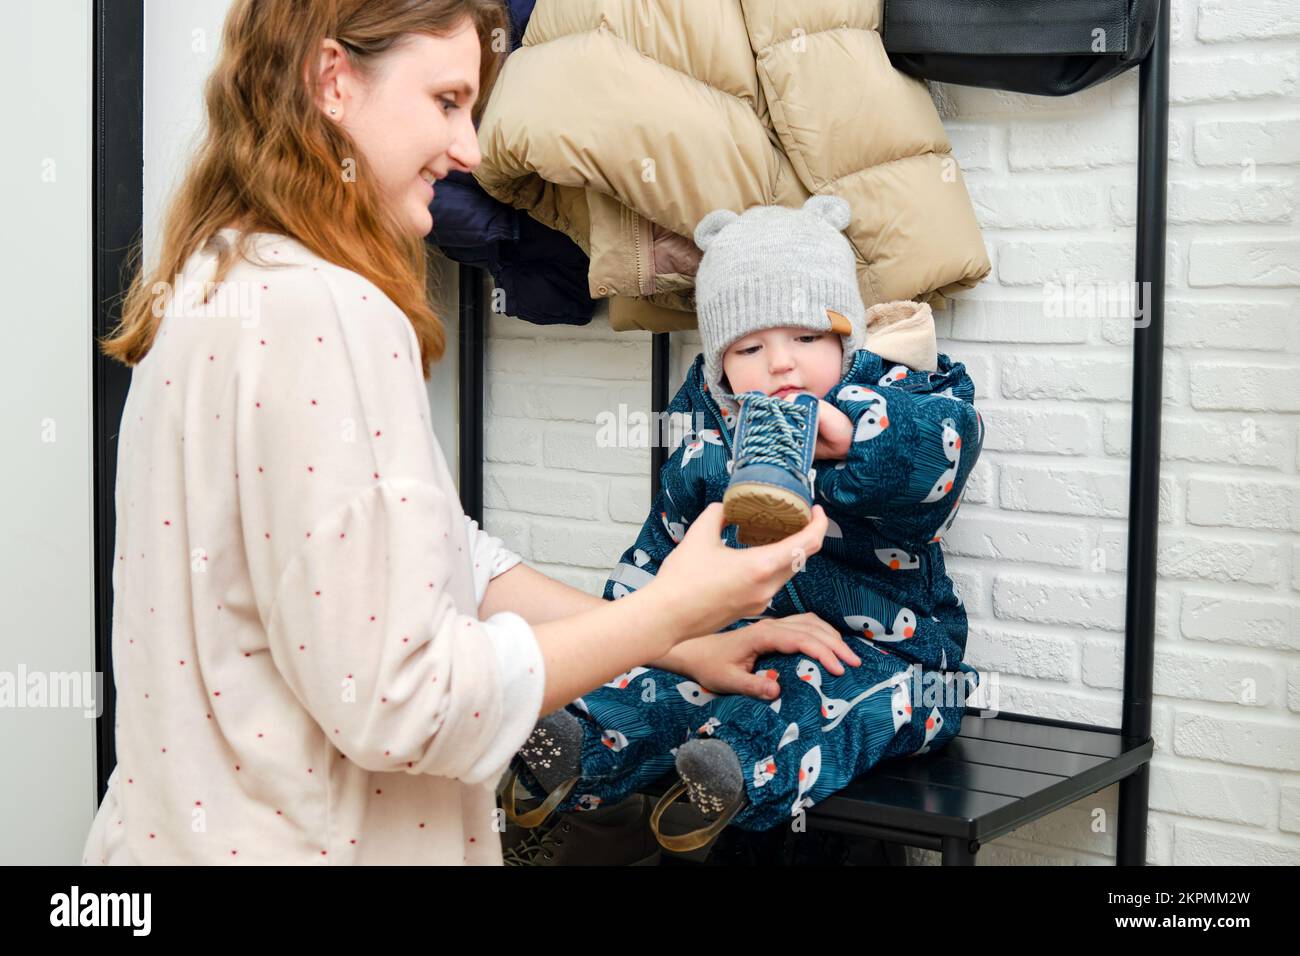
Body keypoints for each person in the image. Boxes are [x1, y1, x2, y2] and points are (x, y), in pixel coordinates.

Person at [82, 0, 839, 866]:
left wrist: (680, 643)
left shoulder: (210, 278)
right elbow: (409, 700)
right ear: (334, 81)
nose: (472, 149)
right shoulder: (330, 310)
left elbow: (435, 561)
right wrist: (675, 604)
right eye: (446, 102)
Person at [506, 198, 985, 849]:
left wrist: (853, 436)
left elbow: (944, 450)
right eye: (751, 347)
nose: (780, 363)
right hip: (743, 637)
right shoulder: (708, 420)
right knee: (664, 679)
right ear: (721, 364)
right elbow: (667, 541)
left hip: (885, 652)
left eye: (807, 338)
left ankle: (735, 768)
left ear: (845, 339)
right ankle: (574, 745)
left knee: (802, 695)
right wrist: (630, 629)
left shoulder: (894, 393)